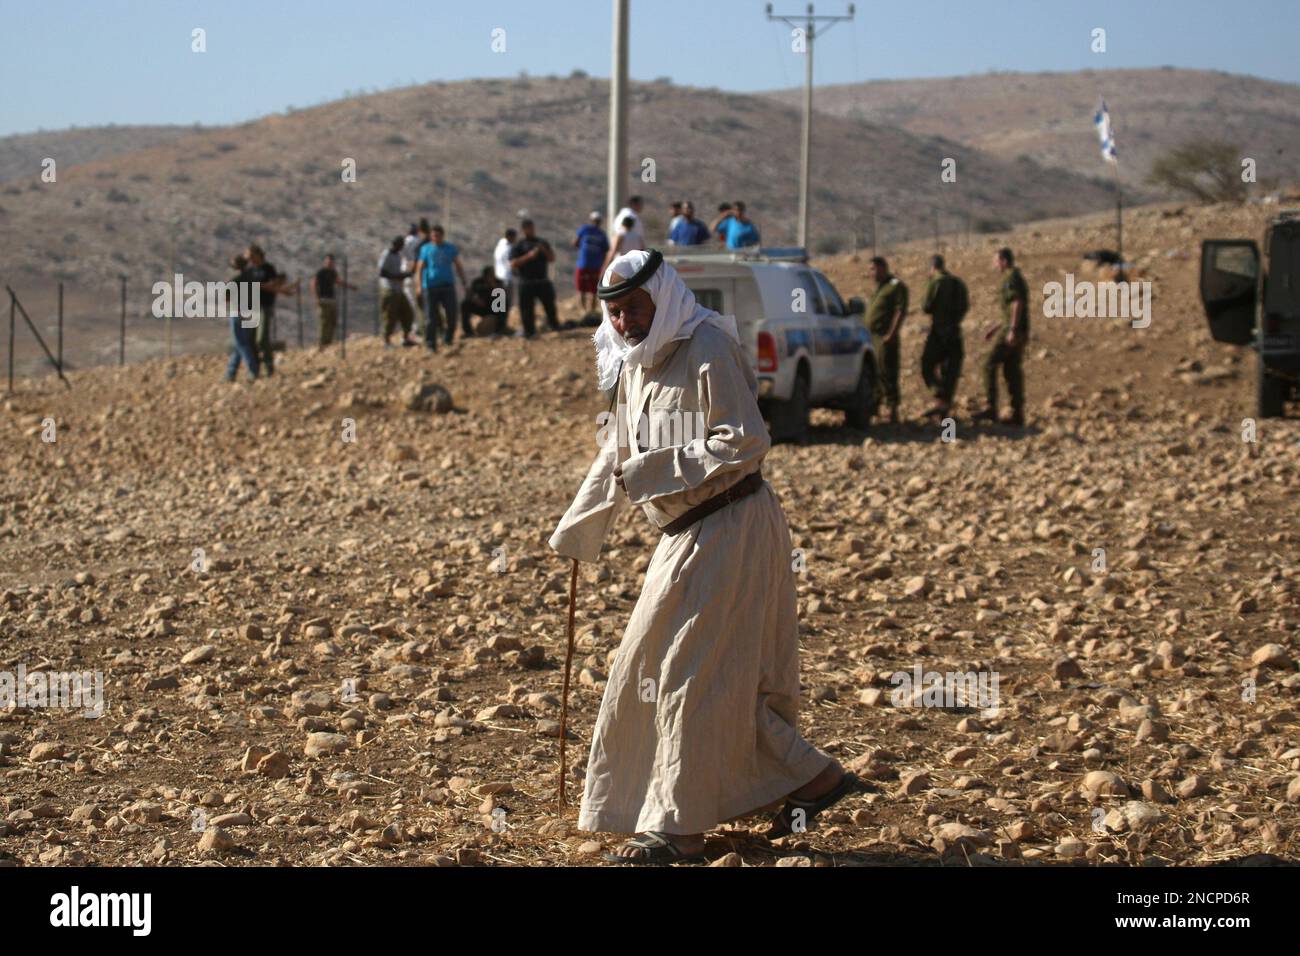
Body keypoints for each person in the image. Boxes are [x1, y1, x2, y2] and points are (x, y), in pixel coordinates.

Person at [549, 248, 868, 864]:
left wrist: (651, 470)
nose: (622, 322)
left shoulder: (707, 346)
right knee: (686, 672)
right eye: (613, 312)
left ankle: (677, 830)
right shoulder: (634, 361)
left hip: (729, 524)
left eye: (633, 308)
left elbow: (743, 441)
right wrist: (579, 532)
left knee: (686, 675)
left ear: (662, 297)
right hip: (683, 536)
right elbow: (617, 451)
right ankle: (815, 779)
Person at [975, 247, 1030, 426]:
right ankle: (1017, 414)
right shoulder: (1015, 276)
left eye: (996, 261)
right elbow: (1009, 309)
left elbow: (1016, 303)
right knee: (1012, 370)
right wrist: (995, 328)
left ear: (1004, 261)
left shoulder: (1010, 278)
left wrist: (1011, 329)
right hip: (1014, 328)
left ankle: (991, 407)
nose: (994, 265)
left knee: (988, 364)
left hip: (1013, 330)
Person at [919, 254, 969, 419]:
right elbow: (965, 306)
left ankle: (938, 395)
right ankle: (944, 407)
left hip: (938, 333)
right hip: (954, 331)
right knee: (950, 371)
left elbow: (926, 306)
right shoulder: (958, 283)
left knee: (927, 365)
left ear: (932, 267)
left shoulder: (935, 283)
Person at [863, 256, 908, 424]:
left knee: (887, 372)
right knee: (874, 373)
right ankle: (874, 407)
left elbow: (900, 311)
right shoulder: (880, 288)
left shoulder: (895, 286)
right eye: (870, 270)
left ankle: (892, 408)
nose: (871, 273)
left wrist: (892, 334)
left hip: (884, 337)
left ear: (884, 268)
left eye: (874, 269)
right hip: (871, 338)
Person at [243, 244, 297, 377]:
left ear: (258, 255)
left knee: (262, 338)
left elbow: (274, 284)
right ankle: (254, 370)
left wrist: (261, 286)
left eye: (251, 256)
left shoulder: (268, 269)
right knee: (250, 340)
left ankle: (268, 367)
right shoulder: (249, 271)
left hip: (265, 306)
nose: (249, 259)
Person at [415, 224, 467, 350]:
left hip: (447, 286)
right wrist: (418, 285)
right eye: (433, 236)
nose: (435, 238)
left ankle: (448, 339)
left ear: (442, 235)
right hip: (430, 287)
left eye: (437, 235)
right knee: (430, 317)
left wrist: (464, 281)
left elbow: (457, 265)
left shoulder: (450, 248)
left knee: (452, 315)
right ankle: (430, 344)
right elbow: (420, 267)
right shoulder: (426, 249)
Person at [509, 218, 558, 337]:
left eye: (532, 228)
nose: (531, 230)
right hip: (526, 281)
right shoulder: (519, 246)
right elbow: (513, 263)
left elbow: (552, 258)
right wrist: (529, 256)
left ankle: (554, 326)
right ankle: (529, 331)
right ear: (524, 230)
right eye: (528, 228)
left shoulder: (541, 242)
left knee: (549, 305)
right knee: (526, 309)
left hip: (542, 280)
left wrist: (543, 250)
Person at [224, 254, 258, 381]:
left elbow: (226, 298)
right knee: (240, 343)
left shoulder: (234, 280)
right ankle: (230, 373)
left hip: (237, 312)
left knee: (240, 343)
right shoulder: (251, 278)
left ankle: (252, 370)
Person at [312, 253, 356, 349]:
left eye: (331, 261)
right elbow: (314, 284)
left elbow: (338, 281)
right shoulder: (321, 272)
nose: (330, 263)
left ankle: (328, 342)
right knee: (324, 322)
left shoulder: (333, 272)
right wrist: (317, 298)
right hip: (323, 300)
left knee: (332, 321)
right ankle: (322, 343)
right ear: (325, 262)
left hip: (332, 300)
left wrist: (350, 286)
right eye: (328, 261)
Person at [378, 236, 415, 347]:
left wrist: (406, 274)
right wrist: (397, 277)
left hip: (398, 290)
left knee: (407, 313)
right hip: (389, 290)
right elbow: (382, 272)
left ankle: (406, 338)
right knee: (390, 316)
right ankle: (386, 341)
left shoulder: (398, 256)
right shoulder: (386, 255)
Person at [573, 212, 610, 316]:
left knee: (590, 290)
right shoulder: (587, 230)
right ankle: (585, 312)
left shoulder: (599, 233)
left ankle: (588, 312)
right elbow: (576, 242)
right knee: (584, 289)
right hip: (586, 264)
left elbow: (605, 250)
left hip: (591, 265)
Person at [460, 266, 504, 337]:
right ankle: (468, 332)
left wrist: (494, 286)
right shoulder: (478, 282)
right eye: (489, 275)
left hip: (493, 308)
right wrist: (475, 299)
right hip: (481, 306)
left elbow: (502, 297)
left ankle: (499, 329)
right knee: (465, 304)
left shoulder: (498, 282)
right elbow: (469, 294)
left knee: (503, 303)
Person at [493, 227, 518, 333]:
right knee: (504, 304)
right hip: (506, 278)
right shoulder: (510, 248)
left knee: (499, 305)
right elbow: (511, 264)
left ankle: (498, 326)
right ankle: (501, 327)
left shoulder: (500, 244)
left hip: (497, 277)